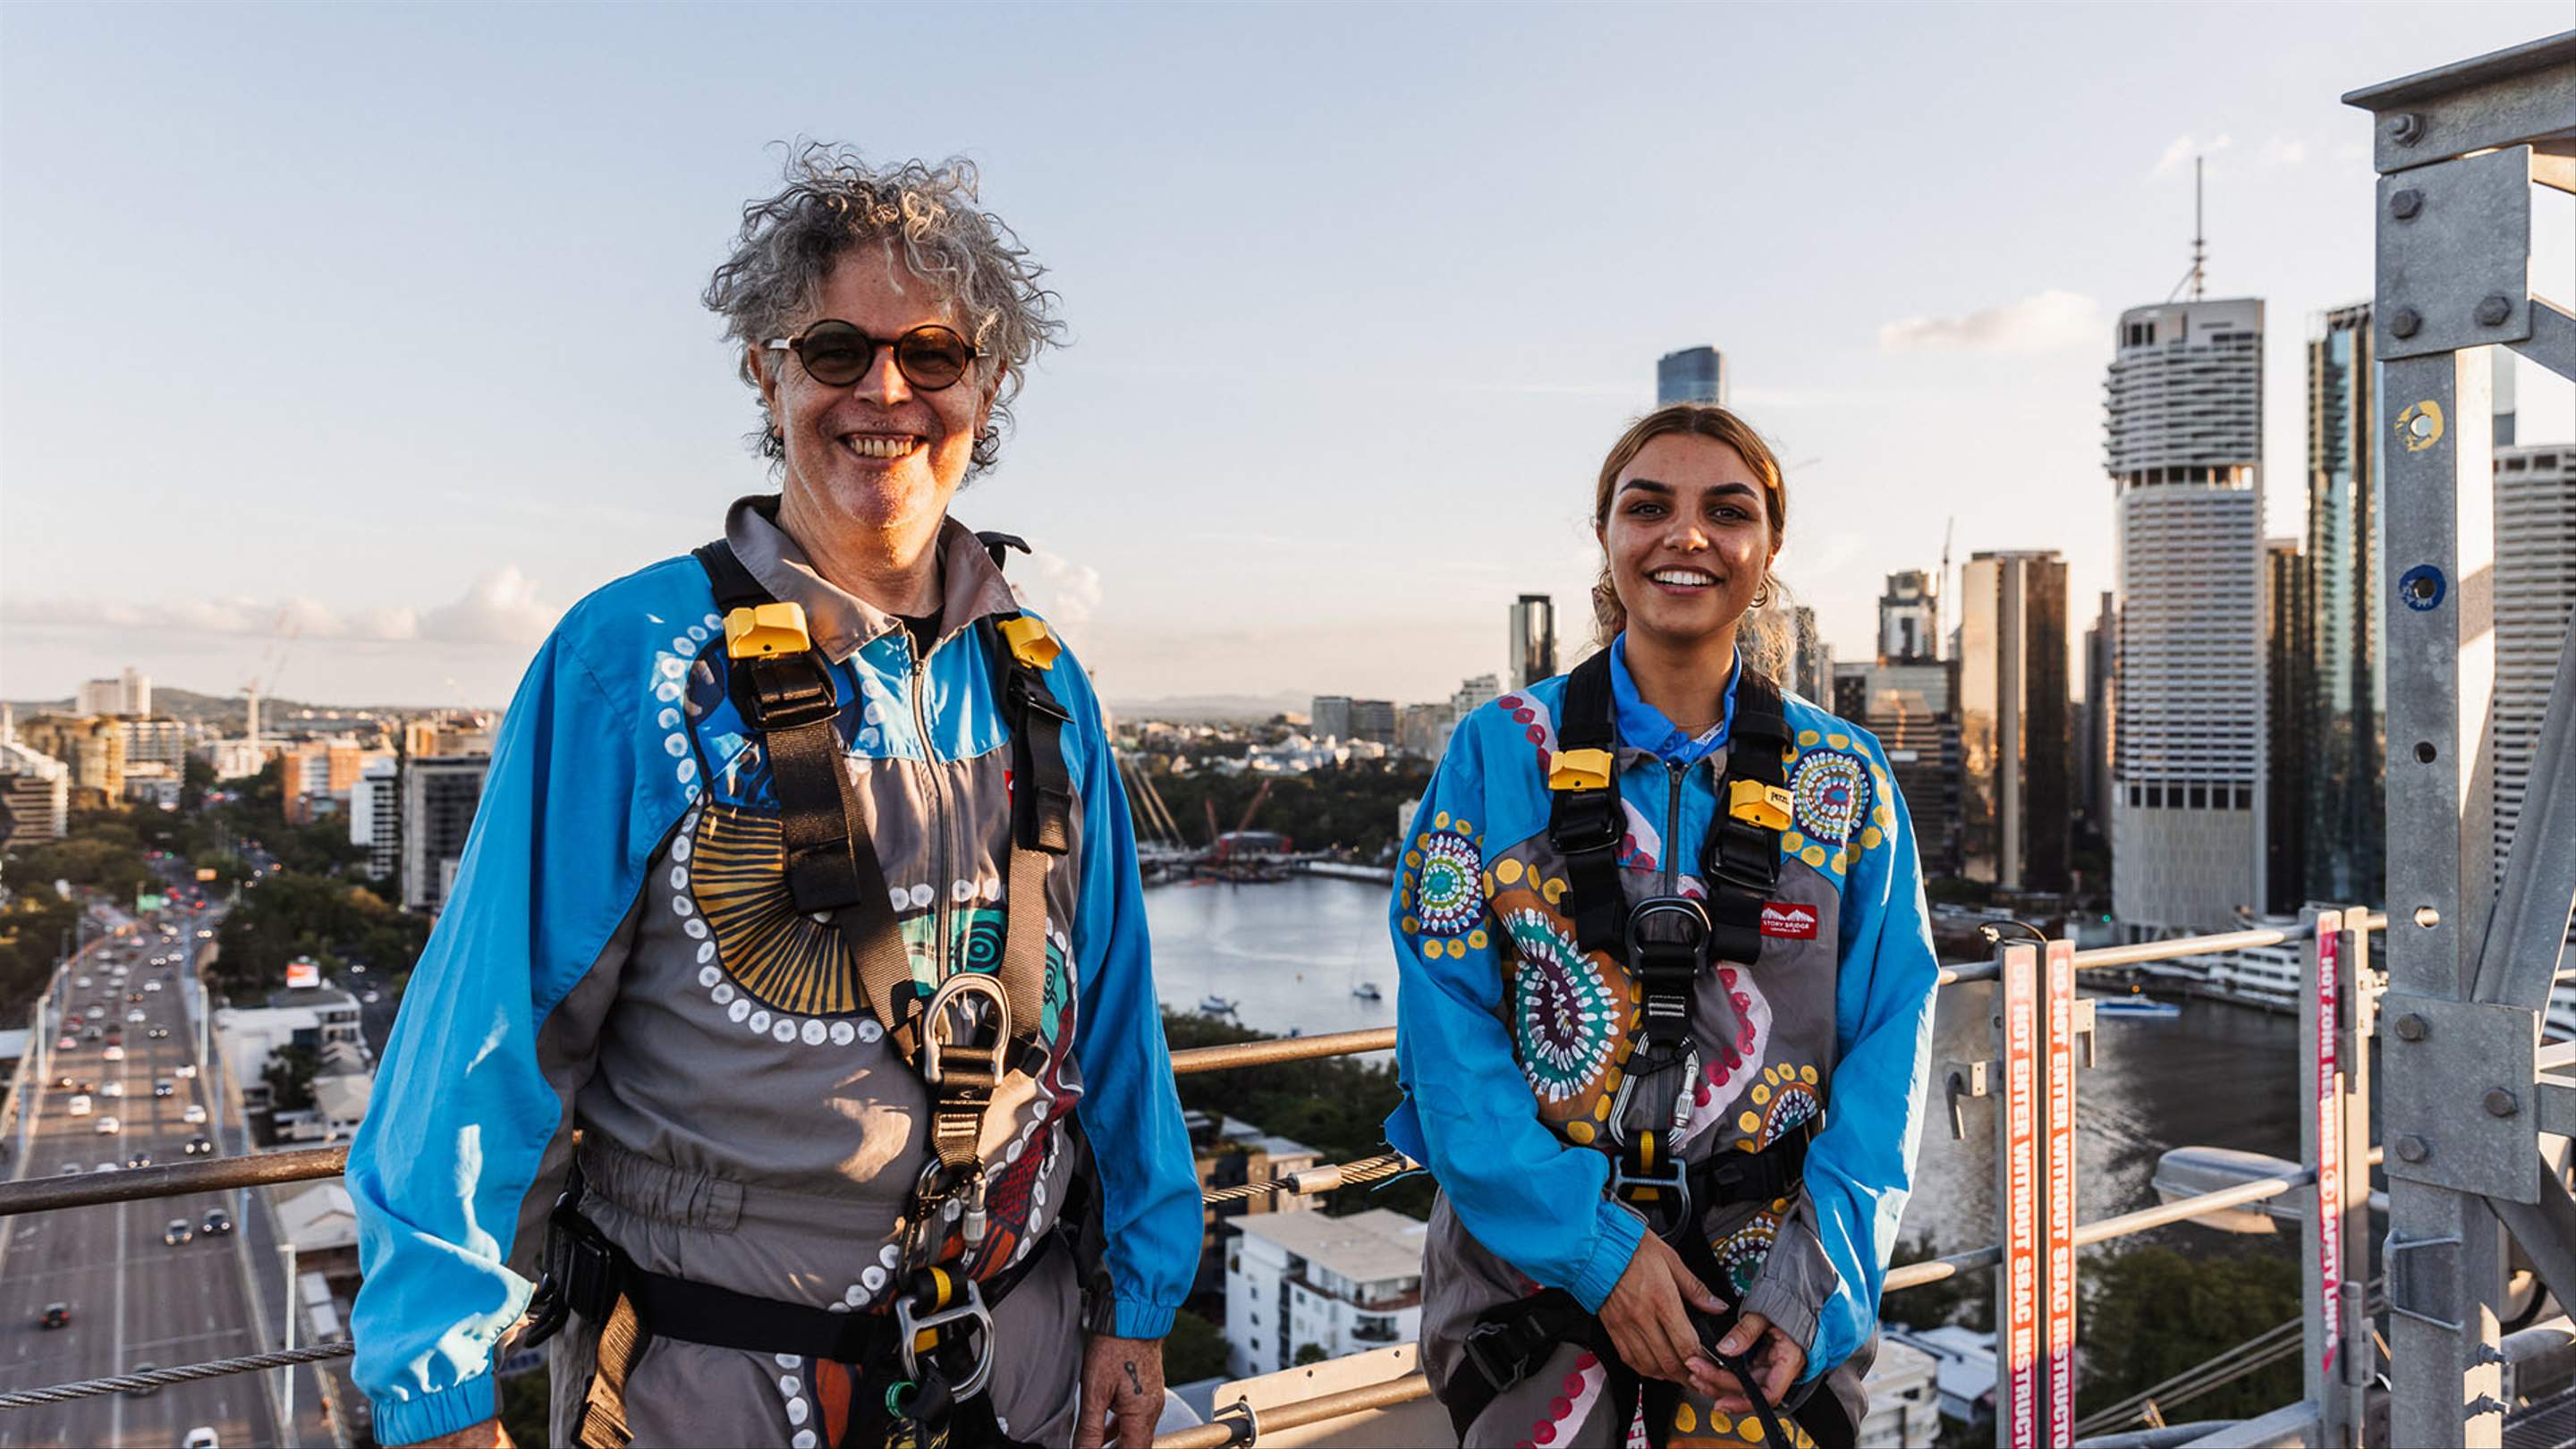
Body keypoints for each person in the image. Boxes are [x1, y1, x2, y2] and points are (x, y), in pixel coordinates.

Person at [347, 147, 1199, 1449]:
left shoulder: (1039, 678)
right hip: (715, 1386)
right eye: (837, 349)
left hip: (1018, 1370)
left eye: (932, 356)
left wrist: (1137, 1299)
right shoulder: (634, 661)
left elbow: (1116, 1018)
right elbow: (486, 1041)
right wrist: (444, 1390)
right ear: (769, 368)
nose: (887, 393)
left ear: (990, 385)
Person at [1385, 404, 1939, 1447]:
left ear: (1768, 551)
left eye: (1726, 511)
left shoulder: (1846, 781)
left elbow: (1891, 1042)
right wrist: (1595, 1250)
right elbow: (1446, 1042)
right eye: (1650, 506)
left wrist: (1813, 1279)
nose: (1686, 535)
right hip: (1527, 1293)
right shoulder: (1500, 756)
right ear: (1606, 535)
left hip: (1764, 1301)